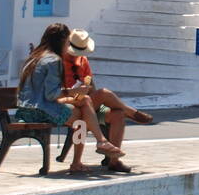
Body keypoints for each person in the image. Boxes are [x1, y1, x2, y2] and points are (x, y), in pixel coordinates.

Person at [16, 23, 124, 173]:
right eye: (67, 41)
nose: (68, 45)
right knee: (82, 112)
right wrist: (73, 92)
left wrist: (74, 95)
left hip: (25, 109)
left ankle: (87, 154)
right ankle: (97, 145)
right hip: (40, 110)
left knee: (83, 107)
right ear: (61, 41)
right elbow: (51, 95)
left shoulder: (34, 57)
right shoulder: (54, 60)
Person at [63, 29, 155, 173]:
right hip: (71, 101)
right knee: (104, 93)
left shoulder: (83, 61)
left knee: (117, 114)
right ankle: (131, 112)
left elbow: (89, 83)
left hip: (87, 101)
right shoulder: (59, 62)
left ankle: (114, 161)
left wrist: (85, 85)